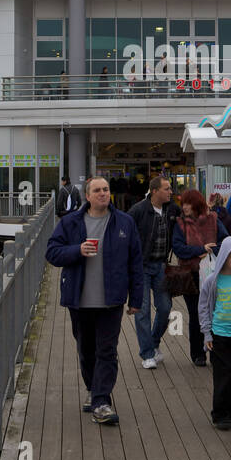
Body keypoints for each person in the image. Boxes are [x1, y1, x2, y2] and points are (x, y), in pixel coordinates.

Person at [46, 176, 142, 425]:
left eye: (106, 189)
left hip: (112, 300)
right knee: (86, 350)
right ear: (87, 196)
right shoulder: (70, 223)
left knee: (107, 350)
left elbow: (135, 262)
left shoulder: (125, 222)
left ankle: (101, 401)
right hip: (80, 300)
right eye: (97, 190)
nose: (103, 193)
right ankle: (93, 389)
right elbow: (52, 253)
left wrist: (137, 298)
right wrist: (77, 250)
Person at [198, 237, 231, 429]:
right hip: (219, 335)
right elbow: (203, 307)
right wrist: (207, 333)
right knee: (224, 374)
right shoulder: (213, 281)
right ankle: (220, 414)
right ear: (224, 258)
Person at [126, 176, 181, 369]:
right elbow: (126, 234)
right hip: (140, 267)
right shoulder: (138, 210)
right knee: (142, 310)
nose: (170, 192)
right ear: (154, 191)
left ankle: (154, 342)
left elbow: (188, 222)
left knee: (165, 307)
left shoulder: (172, 209)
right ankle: (147, 353)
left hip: (161, 266)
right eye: (166, 189)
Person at [170, 188, 228, 366]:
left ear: (196, 204)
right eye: (183, 203)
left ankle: (214, 350)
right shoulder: (180, 223)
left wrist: (211, 250)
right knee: (196, 315)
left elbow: (226, 242)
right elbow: (178, 248)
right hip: (190, 275)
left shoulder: (213, 220)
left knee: (214, 313)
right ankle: (198, 354)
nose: (184, 207)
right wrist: (201, 249)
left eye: (188, 203)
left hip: (212, 274)